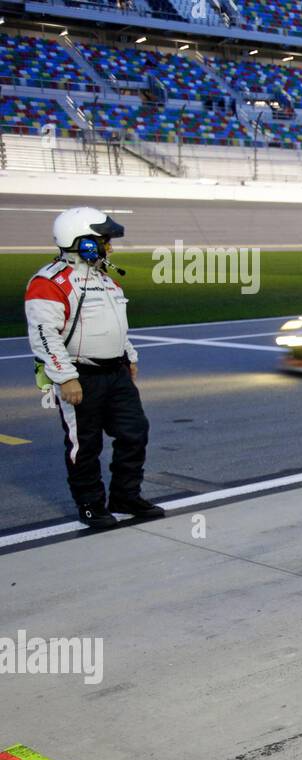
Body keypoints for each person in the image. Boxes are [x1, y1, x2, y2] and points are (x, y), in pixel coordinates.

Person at [26, 207, 163, 529]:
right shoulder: (48, 282)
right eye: (104, 240)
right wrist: (66, 378)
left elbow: (117, 326)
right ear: (82, 242)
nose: (110, 247)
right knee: (84, 445)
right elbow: (44, 335)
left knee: (134, 433)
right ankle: (90, 505)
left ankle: (125, 496)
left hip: (116, 374)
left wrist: (129, 356)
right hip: (80, 376)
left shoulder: (106, 280)